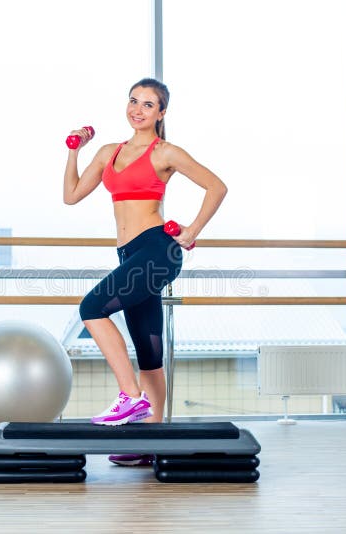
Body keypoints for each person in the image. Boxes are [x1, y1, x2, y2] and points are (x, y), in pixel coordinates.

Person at [63, 78, 227, 465]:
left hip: (157, 250)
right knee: (149, 351)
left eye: (148, 105)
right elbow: (71, 196)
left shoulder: (165, 152)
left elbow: (216, 187)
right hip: (130, 255)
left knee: (91, 308)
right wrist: (74, 151)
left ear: (162, 113)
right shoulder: (109, 152)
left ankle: (130, 397)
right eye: (133, 101)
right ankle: (149, 441)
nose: (138, 110)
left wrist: (192, 231)